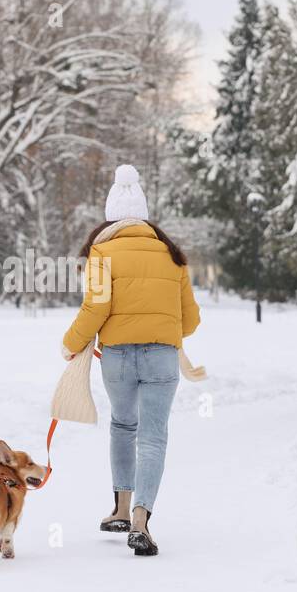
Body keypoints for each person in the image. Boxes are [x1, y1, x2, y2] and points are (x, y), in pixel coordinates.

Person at [61, 165, 200, 556]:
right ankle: (140, 519)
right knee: (153, 435)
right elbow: (190, 320)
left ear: (110, 218)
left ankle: (119, 508)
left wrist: (72, 343)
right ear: (144, 216)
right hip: (161, 358)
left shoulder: (102, 252)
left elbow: (95, 309)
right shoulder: (173, 256)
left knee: (123, 425)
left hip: (118, 359)